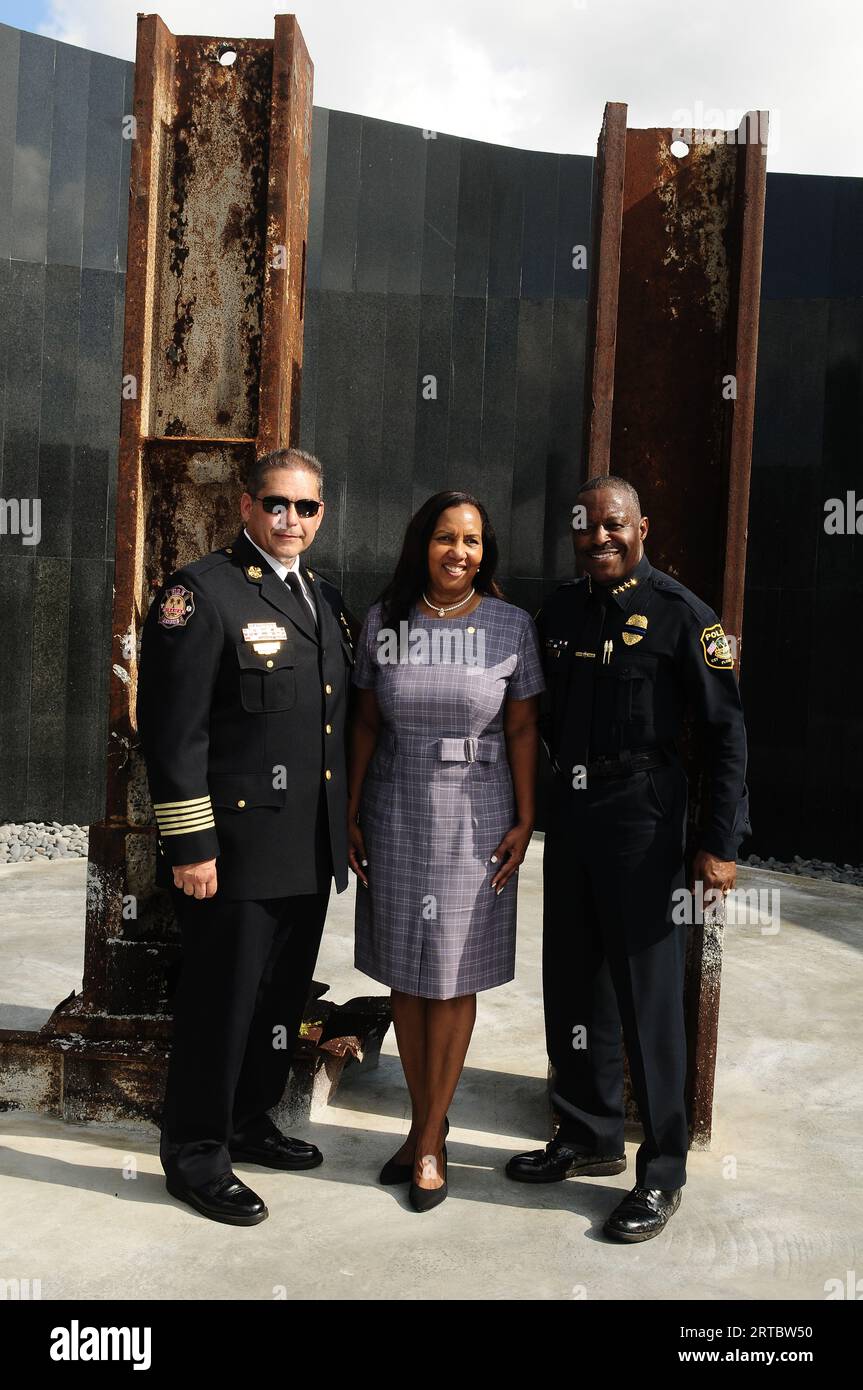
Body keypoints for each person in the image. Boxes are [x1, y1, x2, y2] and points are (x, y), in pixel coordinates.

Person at [506, 474, 750, 1242]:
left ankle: (662, 1171)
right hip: (573, 814)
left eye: (614, 526)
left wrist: (718, 844)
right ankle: (585, 1134)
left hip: (644, 815)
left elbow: (726, 737)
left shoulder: (684, 617)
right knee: (573, 979)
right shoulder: (559, 610)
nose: (600, 539)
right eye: (586, 529)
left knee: (647, 998)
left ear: (641, 528)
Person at [136, 447, 354, 1226]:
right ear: (245, 506)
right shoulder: (202, 594)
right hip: (232, 854)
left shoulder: (324, 599)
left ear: (322, 512)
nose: (290, 520)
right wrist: (191, 846)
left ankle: (248, 1116)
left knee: (277, 1000)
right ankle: (194, 1154)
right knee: (220, 1005)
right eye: (276, 504)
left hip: (306, 848)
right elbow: (172, 733)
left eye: (306, 507)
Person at [347, 492, 545, 1211]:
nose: (458, 552)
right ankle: (420, 1122)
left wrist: (526, 816)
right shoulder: (384, 622)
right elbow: (365, 722)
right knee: (407, 972)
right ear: (419, 545)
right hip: (397, 806)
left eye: (471, 541)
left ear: (484, 551)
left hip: (476, 814)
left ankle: (429, 1139)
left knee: (451, 975)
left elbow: (522, 731)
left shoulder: (509, 626)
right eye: (443, 538)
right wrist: (351, 808)